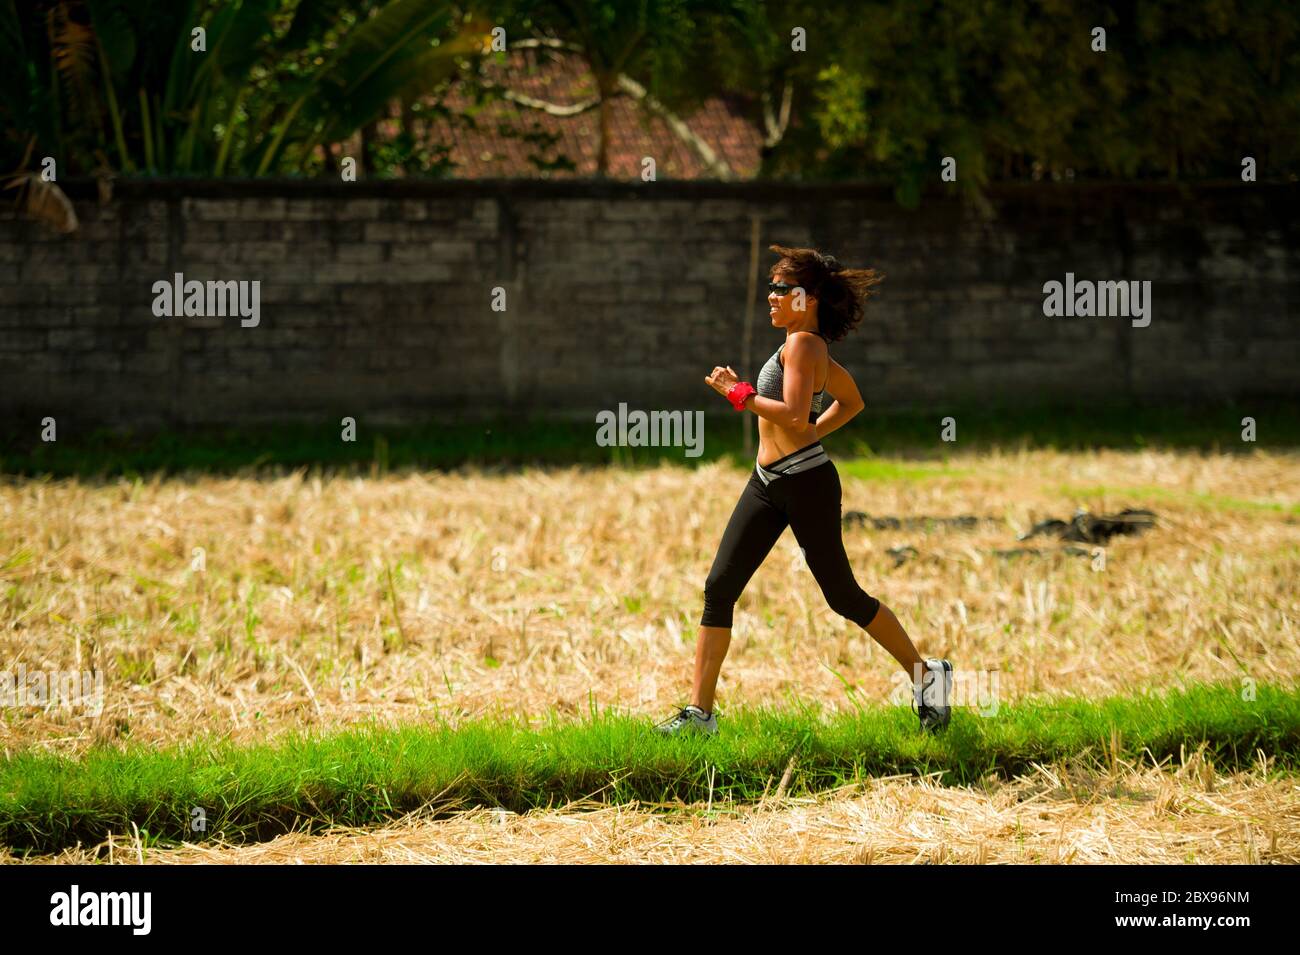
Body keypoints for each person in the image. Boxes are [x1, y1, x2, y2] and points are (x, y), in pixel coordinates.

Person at [655, 245, 952, 737]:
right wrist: (810, 428)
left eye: (780, 289)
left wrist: (742, 396)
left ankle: (928, 676)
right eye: (771, 287)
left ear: (808, 298)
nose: (771, 296)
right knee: (719, 588)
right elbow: (850, 401)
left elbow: (795, 414)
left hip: (806, 484)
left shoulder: (804, 346)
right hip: (766, 482)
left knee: (844, 597)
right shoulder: (800, 345)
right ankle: (699, 716)